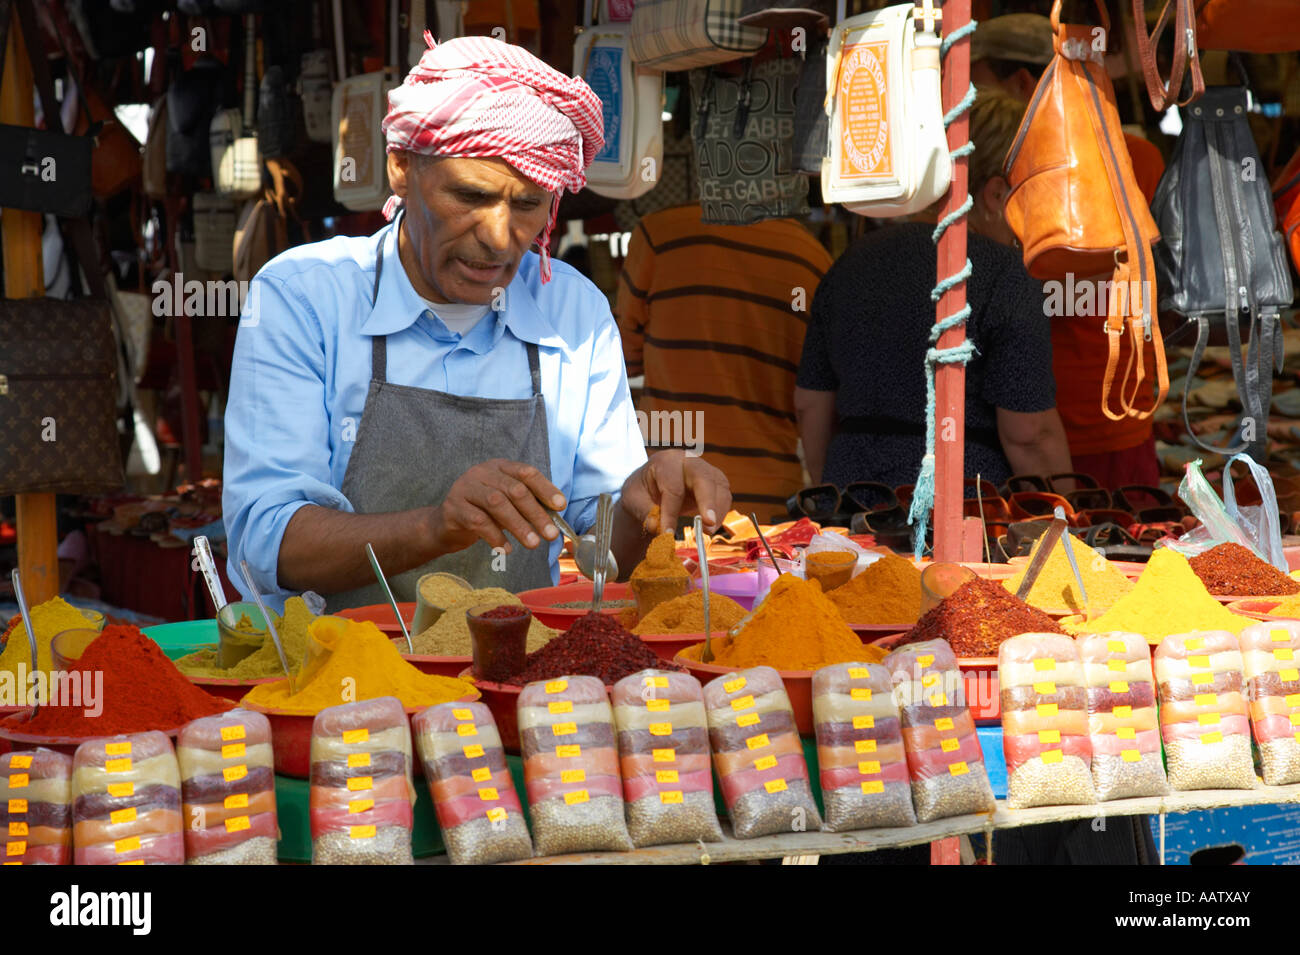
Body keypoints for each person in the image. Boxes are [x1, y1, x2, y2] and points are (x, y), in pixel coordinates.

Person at [222, 36, 731, 611]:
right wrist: (434, 528)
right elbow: (266, 542)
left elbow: (603, 556)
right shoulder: (303, 298)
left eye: (527, 205)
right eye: (471, 195)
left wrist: (644, 501)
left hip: (516, 682)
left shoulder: (575, 313)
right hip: (337, 684)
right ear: (401, 167)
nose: (498, 237)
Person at [794, 87, 1072, 493]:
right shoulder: (1004, 274)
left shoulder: (851, 263)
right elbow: (1029, 433)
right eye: (1036, 198)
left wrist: (830, 495)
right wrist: (1068, 515)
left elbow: (810, 403)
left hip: (850, 503)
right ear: (996, 194)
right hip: (959, 507)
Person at [972, 12, 1165, 488]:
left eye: (980, 92)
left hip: (1033, 424)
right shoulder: (1138, 160)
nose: (975, 113)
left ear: (1021, 83)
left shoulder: (1002, 181)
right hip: (1107, 416)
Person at [616, 205, 834, 521]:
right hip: (766, 501)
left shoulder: (660, 235)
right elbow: (815, 391)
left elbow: (625, 361)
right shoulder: (811, 256)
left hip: (671, 493)